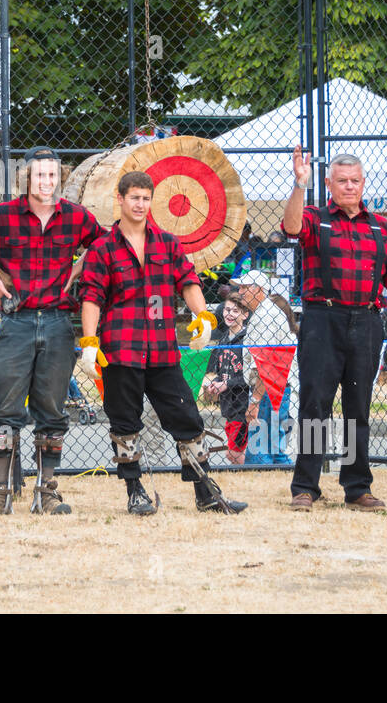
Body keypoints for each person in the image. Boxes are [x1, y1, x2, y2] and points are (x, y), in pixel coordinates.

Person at [76, 171, 247, 516]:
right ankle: (134, 490)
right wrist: (89, 341)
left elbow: (188, 282)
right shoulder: (102, 248)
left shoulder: (167, 243)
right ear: (120, 200)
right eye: (134, 197)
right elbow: (92, 296)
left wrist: (203, 317)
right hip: (120, 349)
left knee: (186, 416)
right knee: (125, 422)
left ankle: (205, 491)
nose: (140, 204)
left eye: (145, 198)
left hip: (162, 349)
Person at [0, 145, 103, 517]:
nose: (46, 182)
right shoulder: (3, 216)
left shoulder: (77, 217)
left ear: (59, 179)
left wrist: (77, 268)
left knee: (52, 410)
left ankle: (46, 491)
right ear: (26, 178)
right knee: (5, 408)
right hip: (16, 321)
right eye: (39, 175)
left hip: (57, 322)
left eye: (52, 175)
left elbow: (102, 244)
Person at [282, 149, 387, 512]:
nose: (349, 187)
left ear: (363, 182)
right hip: (322, 321)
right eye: (341, 181)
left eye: (355, 180)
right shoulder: (315, 218)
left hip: (366, 322)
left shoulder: (382, 227)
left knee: (359, 408)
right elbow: (291, 227)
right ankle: (305, 487)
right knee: (314, 406)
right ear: (328, 184)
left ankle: (357, 487)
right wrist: (299, 183)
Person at [231, 270, 298, 466]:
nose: (240, 292)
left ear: (258, 290)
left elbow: (264, 365)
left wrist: (255, 401)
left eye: (244, 287)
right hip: (276, 387)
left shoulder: (263, 317)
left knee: (259, 454)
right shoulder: (266, 312)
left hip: (268, 389)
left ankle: (266, 485)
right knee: (275, 450)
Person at [202, 293, 252, 466]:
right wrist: (215, 383)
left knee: (234, 453)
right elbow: (221, 371)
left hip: (243, 404)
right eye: (227, 310)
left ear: (245, 314)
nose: (229, 314)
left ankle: (245, 480)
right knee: (233, 453)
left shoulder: (247, 339)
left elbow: (250, 377)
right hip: (227, 404)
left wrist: (226, 384)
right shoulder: (223, 339)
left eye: (235, 311)